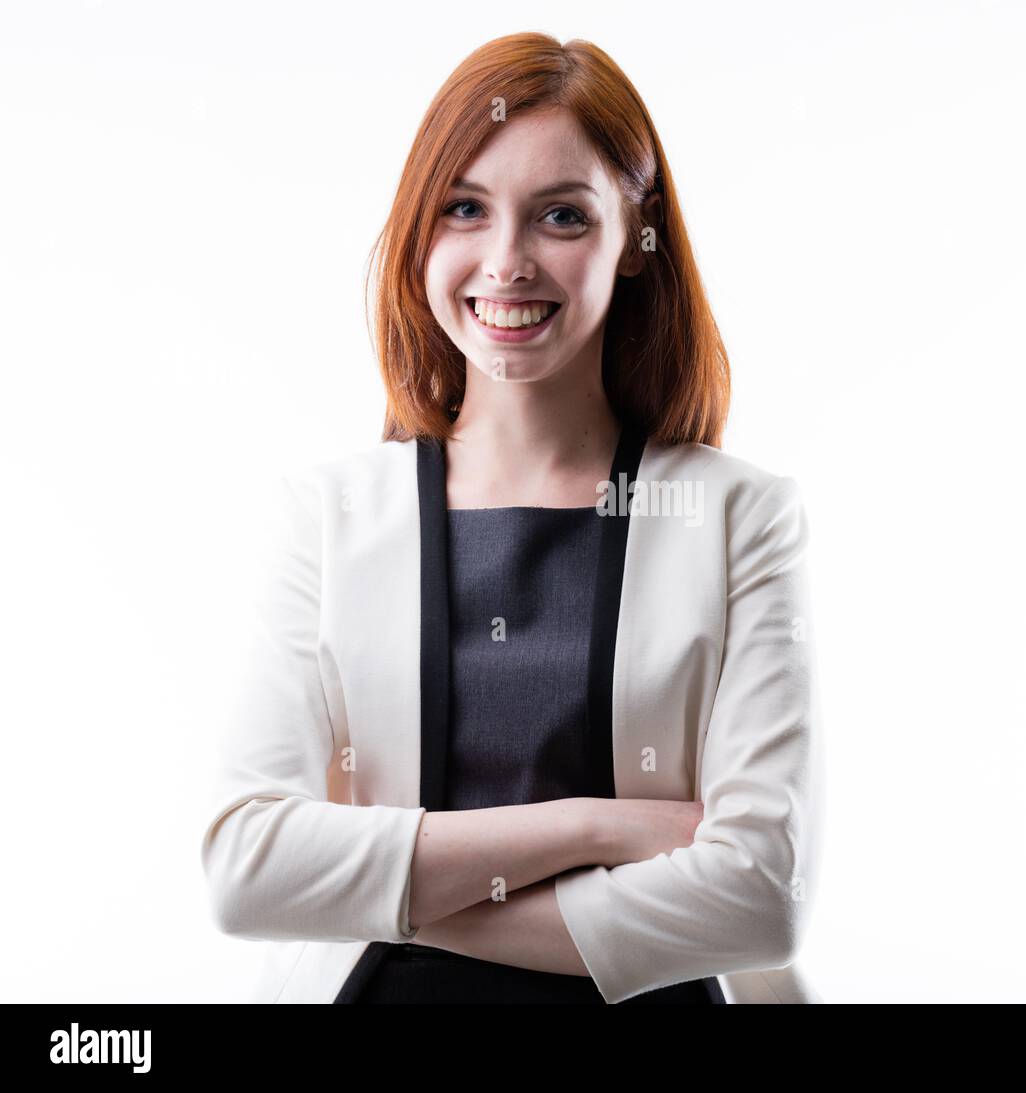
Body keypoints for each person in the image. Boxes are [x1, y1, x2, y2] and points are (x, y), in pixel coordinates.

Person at [201, 32, 824, 1005]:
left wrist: (371, 891)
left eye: (561, 216)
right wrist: (599, 828)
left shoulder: (738, 516)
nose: (505, 263)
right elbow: (248, 870)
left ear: (634, 238)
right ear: (420, 231)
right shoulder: (326, 517)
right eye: (465, 208)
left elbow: (758, 898)